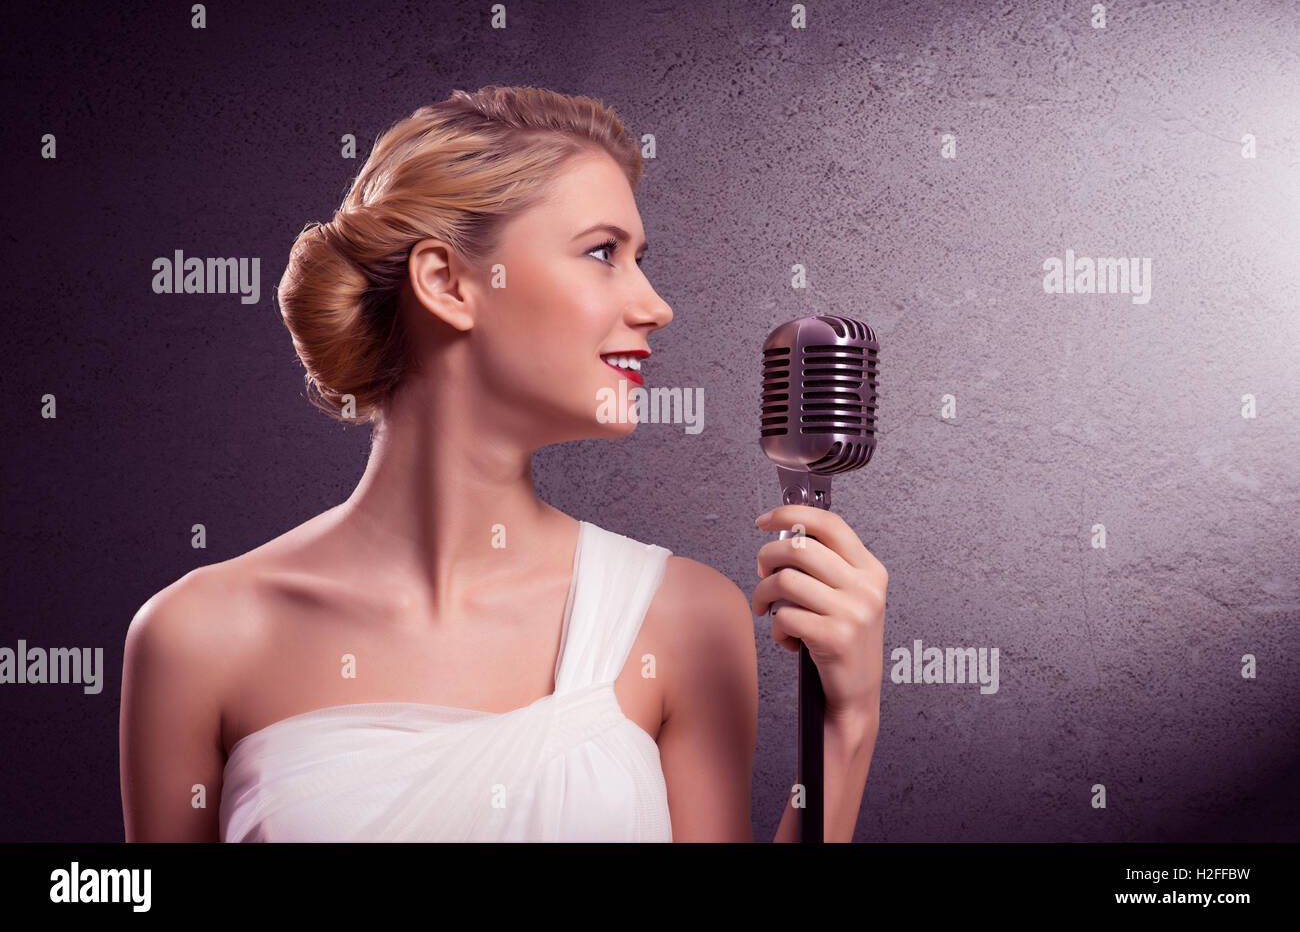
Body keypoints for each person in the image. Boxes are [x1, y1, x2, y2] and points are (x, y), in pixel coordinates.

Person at [119, 85, 889, 842]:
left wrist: (843, 730)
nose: (656, 306)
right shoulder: (198, 636)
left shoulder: (684, 620)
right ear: (448, 282)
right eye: (602, 253)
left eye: (638, 258)